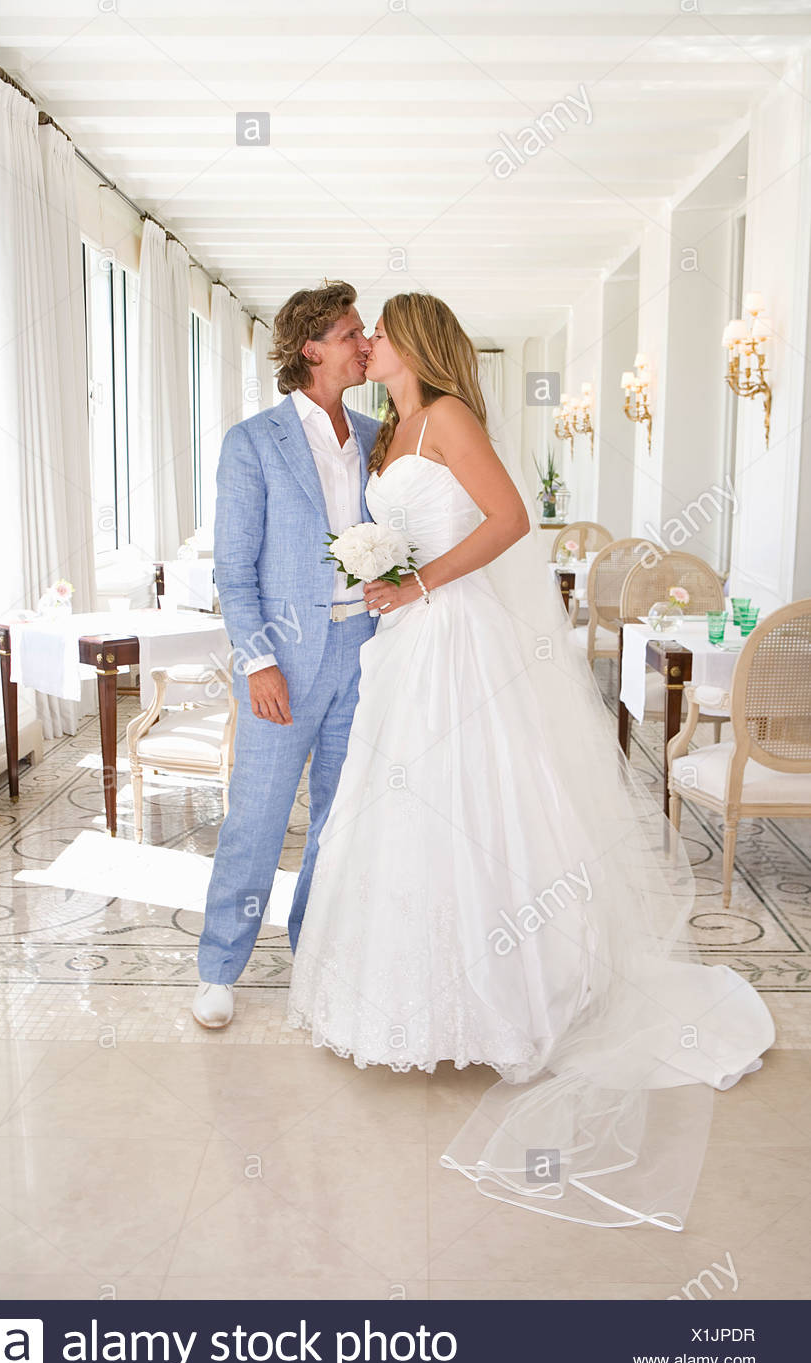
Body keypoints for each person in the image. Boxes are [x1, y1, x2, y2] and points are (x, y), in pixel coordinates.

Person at [286, 291, 775, 1229]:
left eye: (382, 329)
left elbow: (509, 519)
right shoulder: (388, 430)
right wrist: (381, 573)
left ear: (418, 341)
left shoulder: (447, 415)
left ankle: (506, 1000)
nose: (371, 341)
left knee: (478, 800)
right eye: (363, 333)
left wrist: (419, 578)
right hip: (406, 641)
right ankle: (408, 1001)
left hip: (456, 635)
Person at [193, 281, 379, 1027]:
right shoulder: (252, 443)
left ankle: (317, 953)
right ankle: (218, 967)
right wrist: (258, 661)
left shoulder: (374, 437)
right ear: (311, 346)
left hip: (365, 649)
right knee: (258, 817)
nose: (366, 345)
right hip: (284, 659)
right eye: (352, 334)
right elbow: (233, 574)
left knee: (341, 818)